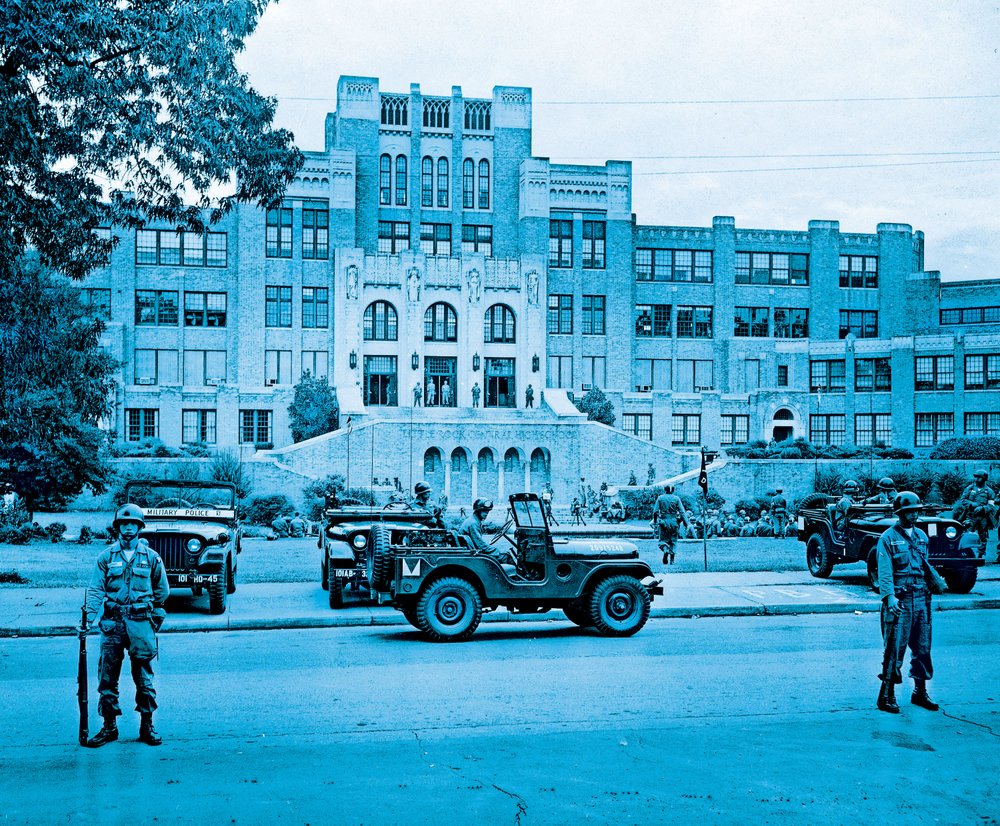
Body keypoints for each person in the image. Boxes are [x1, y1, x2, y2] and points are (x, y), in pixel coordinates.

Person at [81, 504, 169, 747]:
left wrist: (154, 619)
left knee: (143, 677)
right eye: (123, 523)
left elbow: (162, 591)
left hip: (140, 623)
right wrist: (88, 619)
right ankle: (109, 727)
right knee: (107, 677)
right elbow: (97, 589)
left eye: (133, 524)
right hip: (112, 624)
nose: (128, 528)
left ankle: (146, 725)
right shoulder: (106, 557)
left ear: (140, 528)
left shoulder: (151, 558)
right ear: (117, 526)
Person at [875, 491, 945, 714]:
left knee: (923, 646)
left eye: (916, 511)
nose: (914, 515)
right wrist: (889, 597)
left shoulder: (922, 537)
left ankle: (919, 692)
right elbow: (884, 571)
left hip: (921, 597)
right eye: (909, 512)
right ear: (900, 513)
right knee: (895, 648)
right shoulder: (887, 538)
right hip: (900, 599)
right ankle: (886, 695)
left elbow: (924, 566)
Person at [955, 469, 997, 559]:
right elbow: (963, 500)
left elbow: (991, 505)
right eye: (976, 477)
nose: (976, 479)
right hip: (970, 516)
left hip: (983, 518)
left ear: (984, 478)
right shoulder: (969, 488)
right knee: (966, 534)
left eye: (979, 477)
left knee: (983, 536)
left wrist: (982, 508)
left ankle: (980, 555)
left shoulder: (989, 491)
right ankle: (966, 554)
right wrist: (973, 504)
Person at [653, 484, 688, 565]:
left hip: (663, 521)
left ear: (665, 489)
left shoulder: (660, 498)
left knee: (662, 540)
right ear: (673, 490)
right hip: (674, 521)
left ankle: (665, 550)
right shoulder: (676, 498)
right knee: (673, 541)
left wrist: (655, 522)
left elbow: (655, 512)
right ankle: (672, 560)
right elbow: (682, 512)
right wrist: (685, 523)